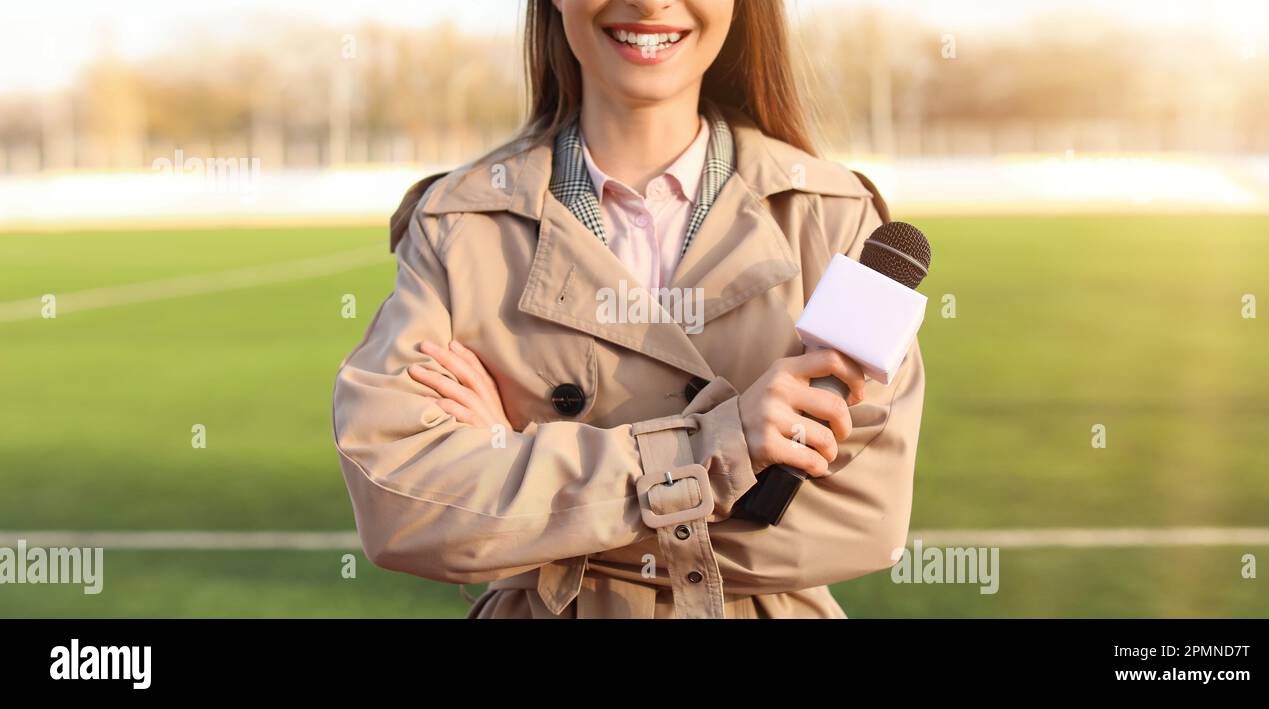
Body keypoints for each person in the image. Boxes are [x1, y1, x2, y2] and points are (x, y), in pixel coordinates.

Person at [332, 0, 925, 618]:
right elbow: (402, 506)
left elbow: (862, 523)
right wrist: (720, 446)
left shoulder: (835, 217)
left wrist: (524, 499)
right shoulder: (458, 223)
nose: (649, 2)